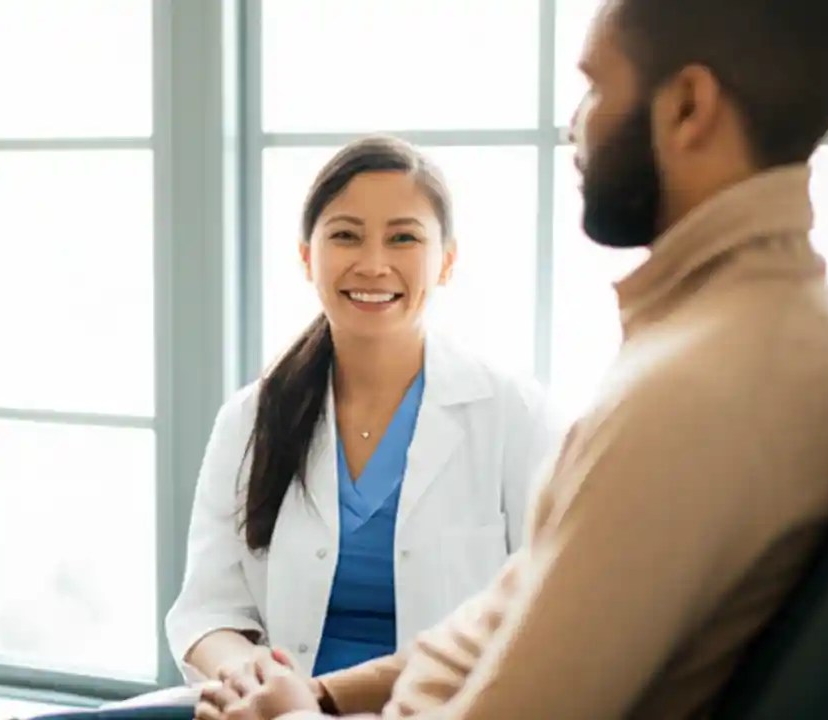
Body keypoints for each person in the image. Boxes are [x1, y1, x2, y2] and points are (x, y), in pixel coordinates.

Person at [209, 0, 828, 718]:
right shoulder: (745, 336)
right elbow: (505, 618)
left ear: (687, 107)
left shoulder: (704, 389)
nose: (574, 124)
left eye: (596, 87)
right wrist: (322, 696)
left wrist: (293, 719)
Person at [161, 136, 558, 718]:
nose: (373, 264)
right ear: (306, 257)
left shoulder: (514, 416)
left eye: (404, 237)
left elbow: (542, 619)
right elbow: (206, 611)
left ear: (446, 260)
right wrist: (252, 679)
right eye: (345, 235)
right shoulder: (252, 418)